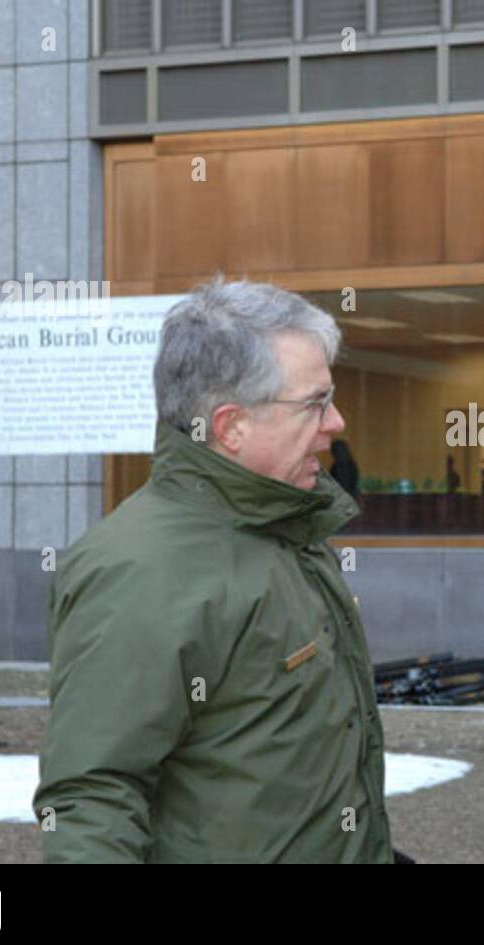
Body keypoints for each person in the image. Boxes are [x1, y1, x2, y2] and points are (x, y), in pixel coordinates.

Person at [34, 277, 393, 863]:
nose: (337, 424)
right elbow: (93, 798)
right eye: (315, 403)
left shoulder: (287, 528)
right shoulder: (142, 574)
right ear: (231, 427)